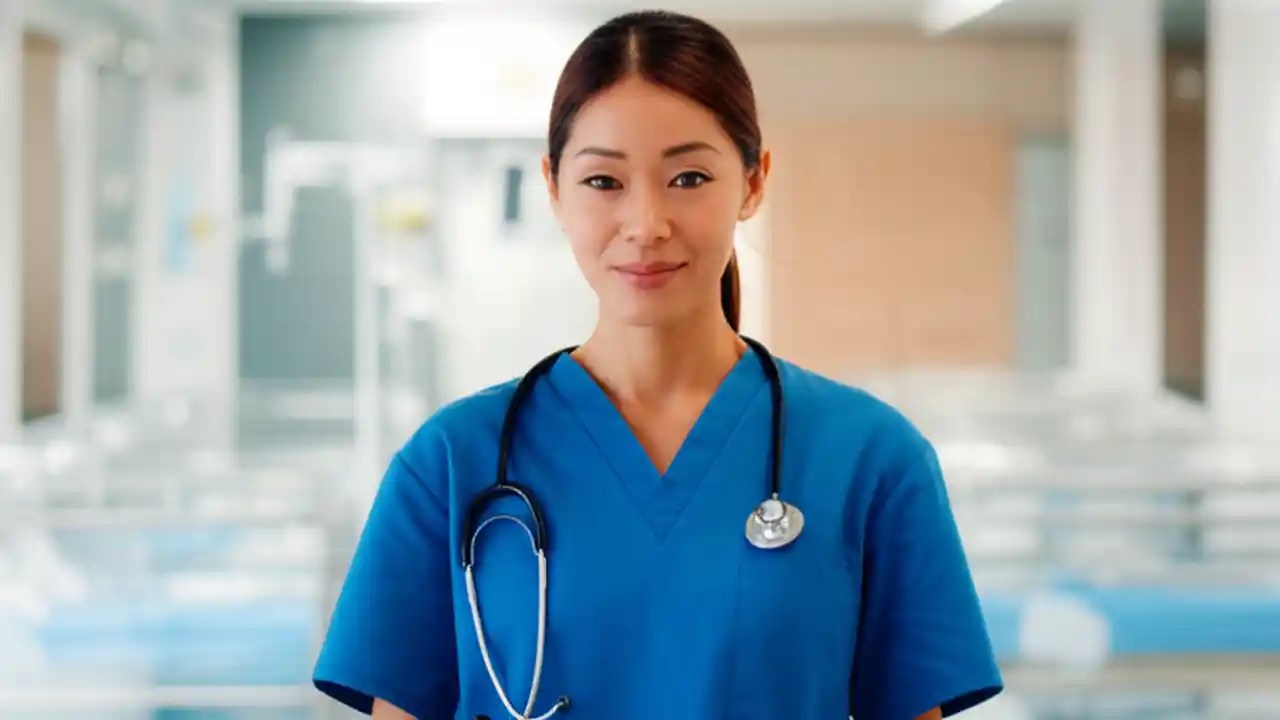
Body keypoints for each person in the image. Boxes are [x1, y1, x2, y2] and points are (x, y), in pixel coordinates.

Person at [312, 10, 1002, 720]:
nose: (645, 224)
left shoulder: (869, 460)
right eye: (604, 182)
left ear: (755, 181)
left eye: (689, 176)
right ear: (554, 187)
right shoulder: (451, 464)